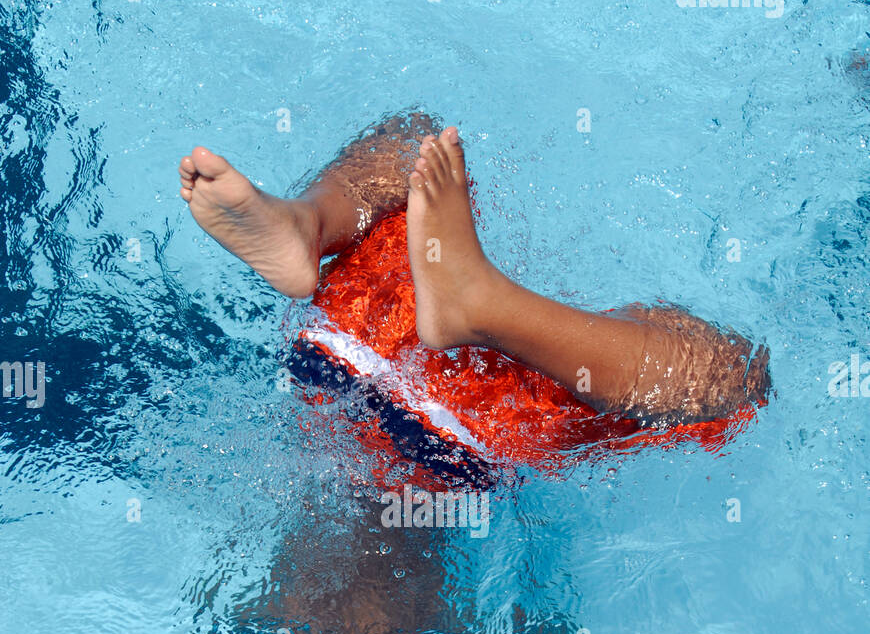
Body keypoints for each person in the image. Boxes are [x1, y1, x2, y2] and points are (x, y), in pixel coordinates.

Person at [178, 113, 770, 428]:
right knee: (737, 378)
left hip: (341, 350)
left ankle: (306, 228)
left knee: (415, 138)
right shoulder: (415, 632)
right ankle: (481, 303)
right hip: (451, 429)